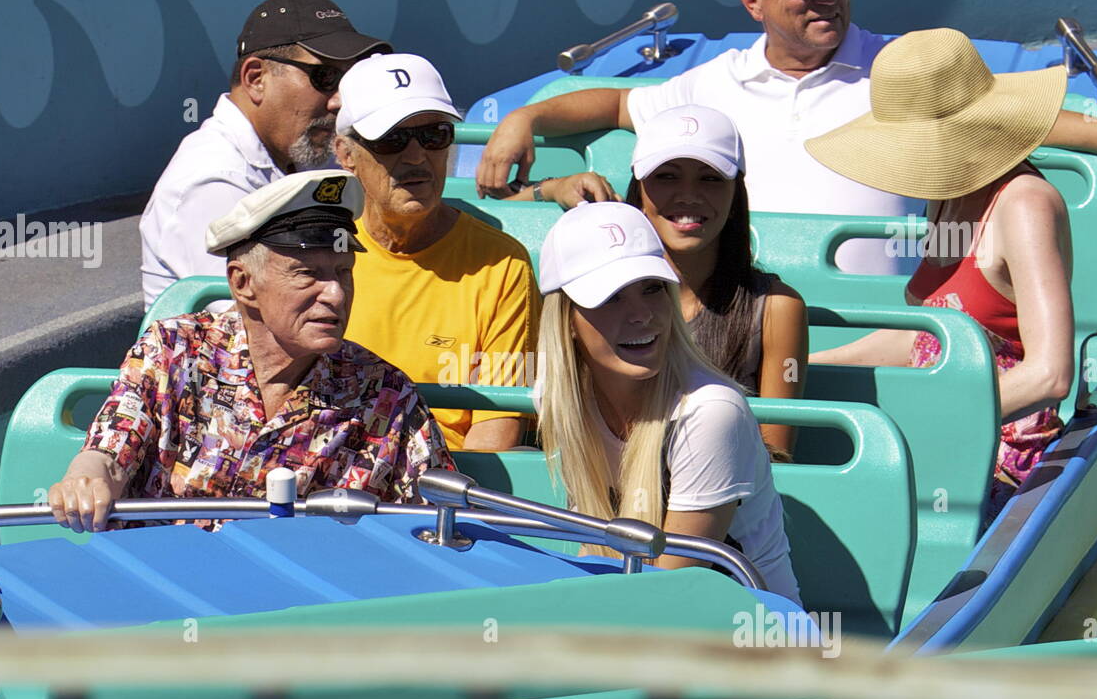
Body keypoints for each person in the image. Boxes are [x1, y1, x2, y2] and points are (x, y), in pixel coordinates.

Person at [477, 0, 1097, 273]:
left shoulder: (897, 67)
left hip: (891, 325)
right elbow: (616, 104)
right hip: (745, 323)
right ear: (752, 0)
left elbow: (1011, 114)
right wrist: (524, 118)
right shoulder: (715, 84)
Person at [51, 171, 455, 533]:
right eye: (308, 274)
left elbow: (441, 521)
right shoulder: (172, 354)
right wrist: (88, 478)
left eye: (343, 272)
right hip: (162, 594)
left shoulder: (384, 394)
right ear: (243, 283)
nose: (335, 294)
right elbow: (109, 451)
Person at [806, 28, 1075, 522]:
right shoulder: (947, 193)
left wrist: (926, 416)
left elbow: (1051, 374)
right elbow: (925, 337)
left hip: (996, 457)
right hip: (934, 433)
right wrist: (805, 370)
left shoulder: (1024, 204)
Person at [535, 200, 800, 601]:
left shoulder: (709, 414)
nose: (643, 315)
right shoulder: (561, 398)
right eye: (611, 297)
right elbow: (598, 556)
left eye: (653, 288)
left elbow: (667, 596)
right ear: (566, 320)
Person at [333, 53, 538, 452]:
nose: (415, 156)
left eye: (434, 135)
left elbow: (496, 433)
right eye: (390, 139)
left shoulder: (503, 265)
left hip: (443, 495)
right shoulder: (320, 251)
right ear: (345, 154)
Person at [140, 0, 390, 310]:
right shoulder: (212, 180)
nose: (338, 100)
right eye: (326, 77)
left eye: (347, 80)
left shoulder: (300, 151)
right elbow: (256, 321)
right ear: (257, 78)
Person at [625, 104, 807, 458]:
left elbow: (777, 453)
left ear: (735, 192)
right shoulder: (595, 296)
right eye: (666, 176)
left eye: (710, 178)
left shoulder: (777, 308)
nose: (688, 195)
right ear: (639, 189)